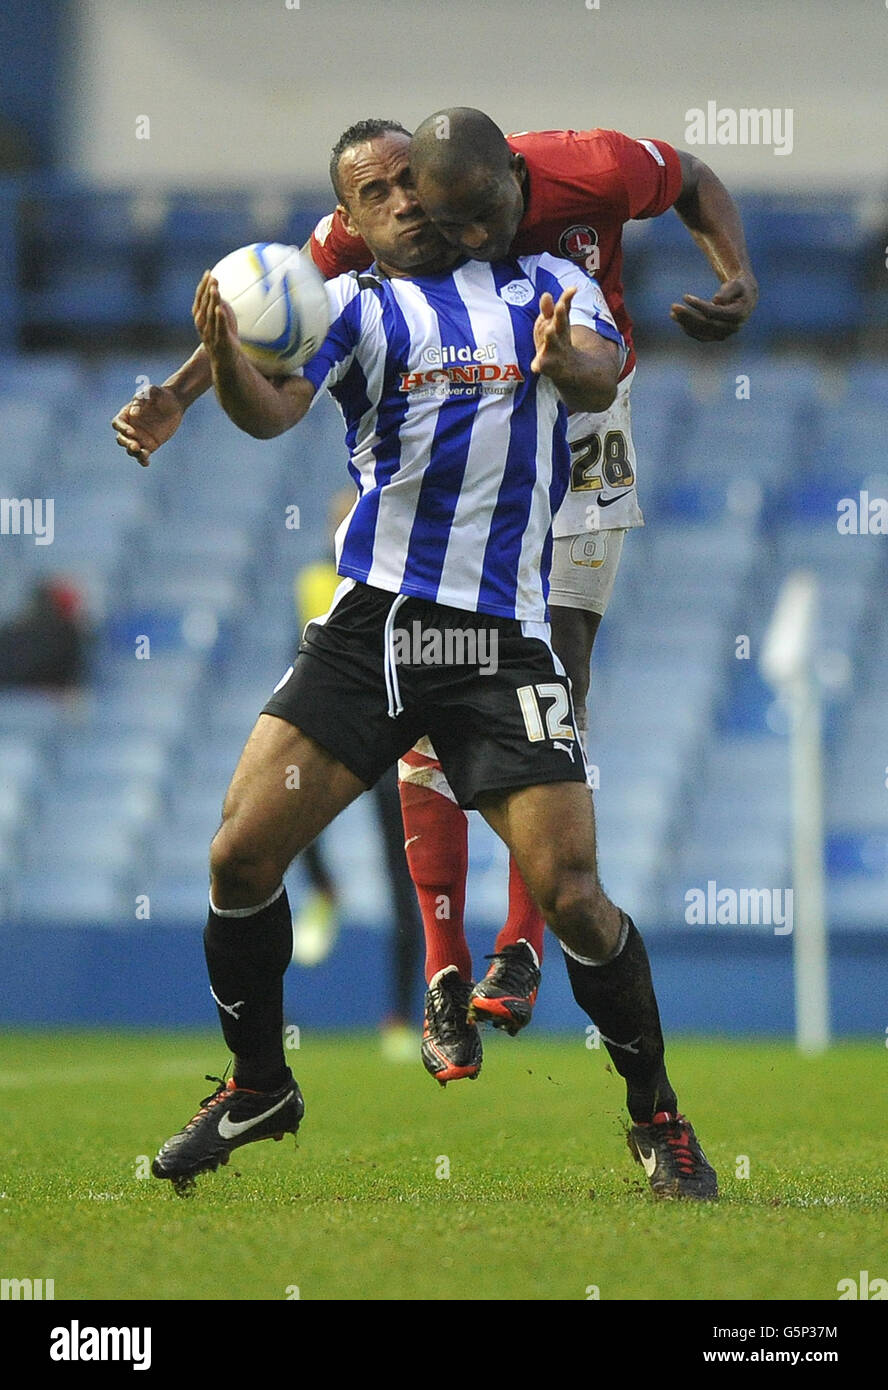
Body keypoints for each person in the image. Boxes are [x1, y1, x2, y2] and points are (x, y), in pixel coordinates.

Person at [111, 108, 756, 1085]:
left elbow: (699, 177)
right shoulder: (387, 220)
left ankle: (526, 937)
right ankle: (446, 968)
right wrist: (182, 387)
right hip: (476, 391)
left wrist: (734, 271)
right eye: (415, 207)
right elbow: (277, 298)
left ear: (508, 182)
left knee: (557, 666)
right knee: (433, 684)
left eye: (458, 210)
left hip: (584, 389)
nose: (439, 227)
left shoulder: (595, 168)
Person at [291, 488, 423, 1061]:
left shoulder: (412, 583)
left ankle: (399, 1017)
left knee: (405, 882)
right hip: (344, 730)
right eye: (337, 518)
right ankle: (325, 890)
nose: (344, 527)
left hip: (394, 746)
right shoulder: (315, 582)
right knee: (283, 813)